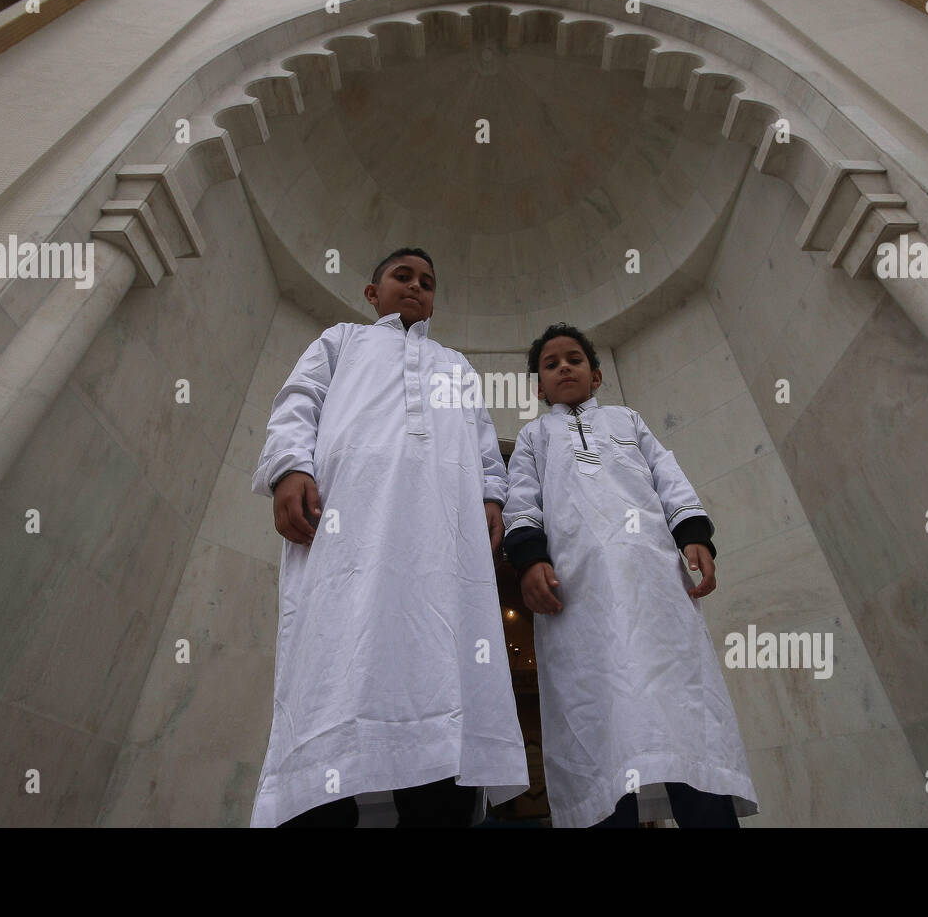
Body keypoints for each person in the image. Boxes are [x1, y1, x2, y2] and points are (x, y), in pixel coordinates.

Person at [249, 247, 529, 827]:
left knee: (443, 670)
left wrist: (492, 496)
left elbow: (482, 445)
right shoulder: (341, 341)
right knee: (336, 671)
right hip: (347, 525)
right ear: (372, 291)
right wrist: (289, 467)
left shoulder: (456, 366)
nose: (416, 287)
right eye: (403, 276)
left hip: (443, 540)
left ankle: (440, 787)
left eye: (428, 282)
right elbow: (297, 403)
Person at [501, 323, 760, 828]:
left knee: (682, 715)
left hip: (654, 584)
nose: (563, 368)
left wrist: (694, 535)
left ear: (596, 375)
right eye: (550, 364)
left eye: (573, 359)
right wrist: (531, 560)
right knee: (598, 722)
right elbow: (521, 504)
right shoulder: (535, 437)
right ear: (538, 387)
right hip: (577, 597)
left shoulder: (628, 420)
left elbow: (669, 478)